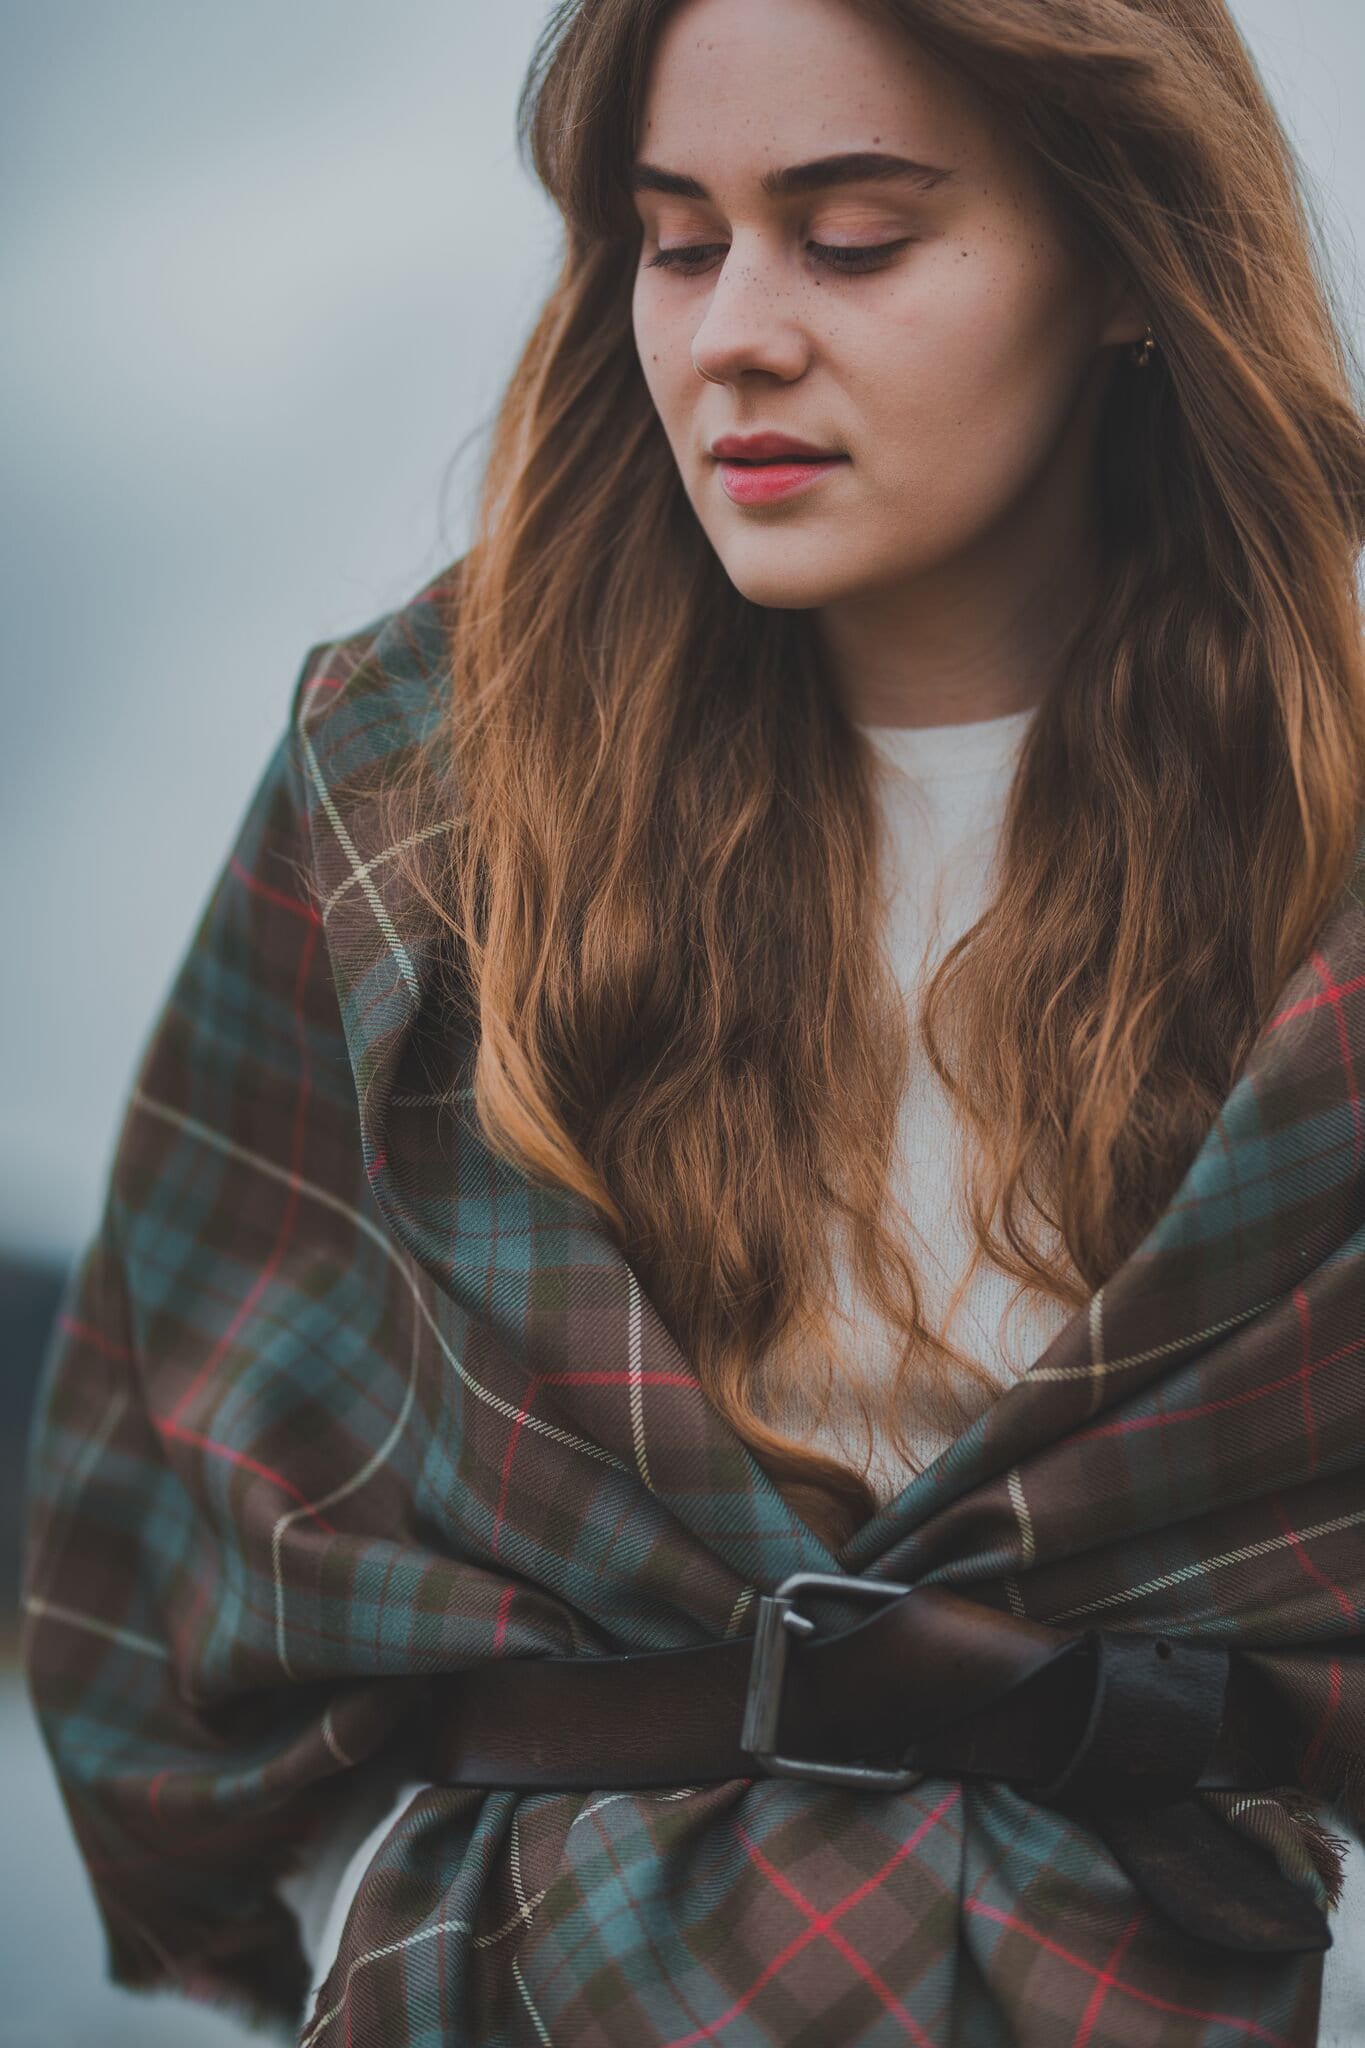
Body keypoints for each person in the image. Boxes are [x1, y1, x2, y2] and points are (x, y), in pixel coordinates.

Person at [19, 0, 1365, 2042]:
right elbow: (155, 1540)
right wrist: (374, 1920)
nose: (732, 334)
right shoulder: (414, 796)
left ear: (1120, 257)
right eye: (676, 241)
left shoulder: (1324, 862)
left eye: (850, 240)